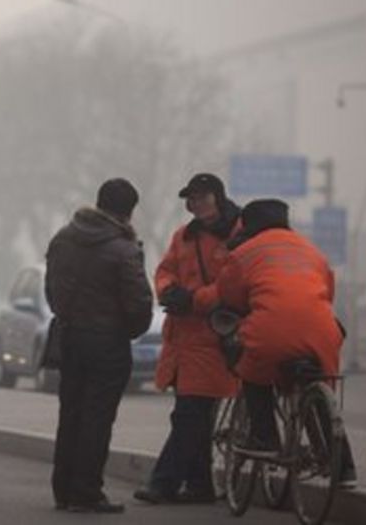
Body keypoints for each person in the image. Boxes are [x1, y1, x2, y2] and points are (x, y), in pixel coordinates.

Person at [214, 199, 357, 487]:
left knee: (250, 368)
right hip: (322, 332)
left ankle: (265, 436)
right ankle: (343, 468)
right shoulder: (312, 251)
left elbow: (229, 297)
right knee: (314, 389)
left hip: (271, 332)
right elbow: (326, 291)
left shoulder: (243, 253)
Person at [45, 178, 154, 513]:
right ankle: (86, 492)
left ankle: (63, 491)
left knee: (71, 412)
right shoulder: (123, 249)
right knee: (97, 417)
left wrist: (66, 315)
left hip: (70, 335)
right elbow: (139, 303)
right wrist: (129, 330)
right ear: (128, 211)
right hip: (108, 342)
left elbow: (51, 288)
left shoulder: (64, 238)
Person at [134, 173, 241, 505]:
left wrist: (193, 300)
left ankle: (164, 483)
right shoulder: (184, 236)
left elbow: (232, 284)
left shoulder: (238, 235)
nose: (194, 204)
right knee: (195, 417)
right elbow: (164, 270)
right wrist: (169, 290)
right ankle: (199, 485)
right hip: (183, 340)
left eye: (200, 197)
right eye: (190, 199)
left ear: (217, 197)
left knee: (188, 416)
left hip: (212, 339)